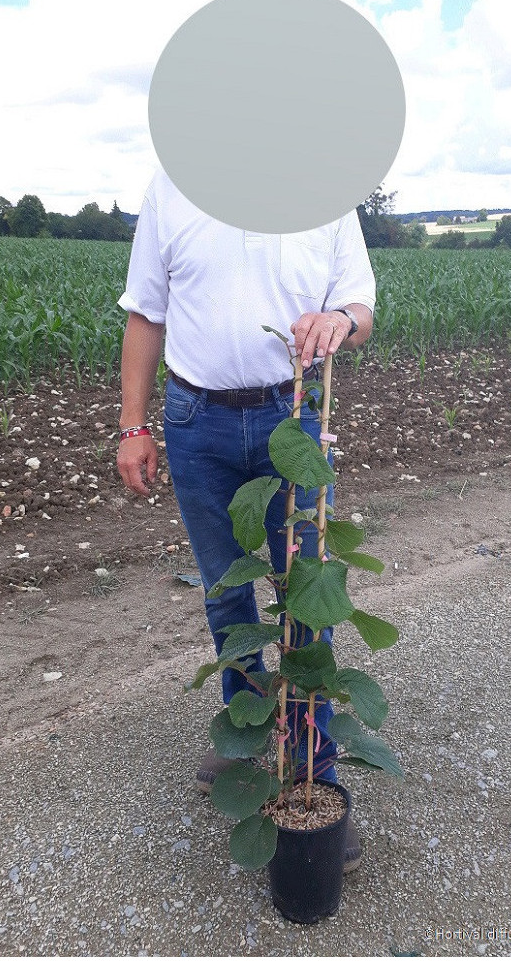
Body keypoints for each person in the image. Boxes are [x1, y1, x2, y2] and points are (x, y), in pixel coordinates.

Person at [116, 168, 375, 871]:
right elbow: (145, 313)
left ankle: (313, 771)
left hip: (289, 414)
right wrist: (132, 425)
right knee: (226, 585)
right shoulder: (171, 189)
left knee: (306, 590)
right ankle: (247, 725)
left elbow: (362, 307)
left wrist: (340, 320)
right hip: (195, 417)